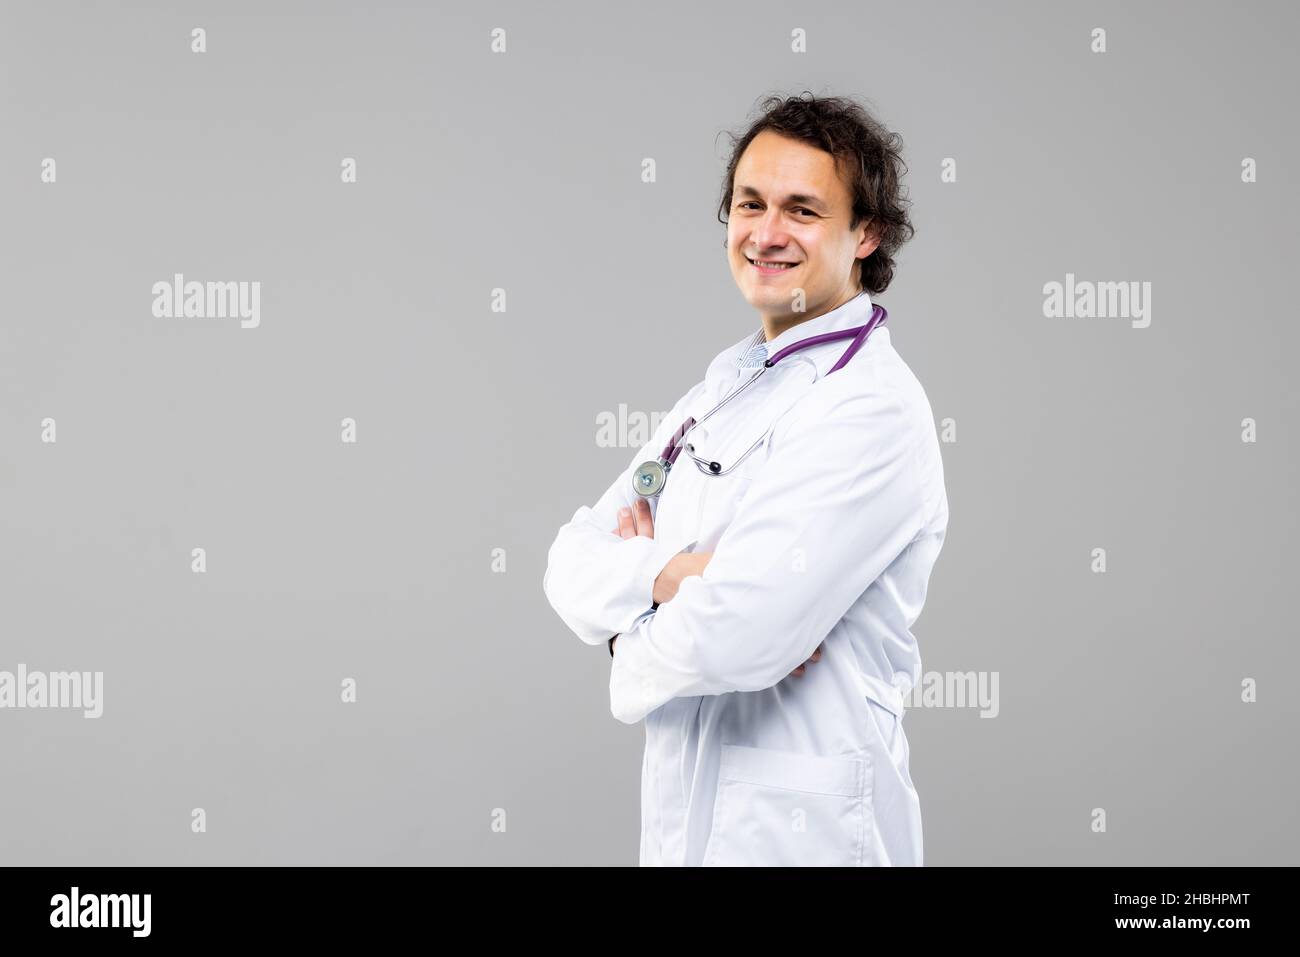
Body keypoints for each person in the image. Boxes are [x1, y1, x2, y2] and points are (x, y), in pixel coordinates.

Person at [542, 92, 948, 866]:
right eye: (749, 203)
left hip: (806, 838)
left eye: (802, 210)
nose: (765, 233)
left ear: (867, 232)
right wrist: (675, 573)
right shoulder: (723, 389)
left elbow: (738, 635)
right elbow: (569, 561)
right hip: (684, 827)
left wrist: (628, 632)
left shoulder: (870, 408)